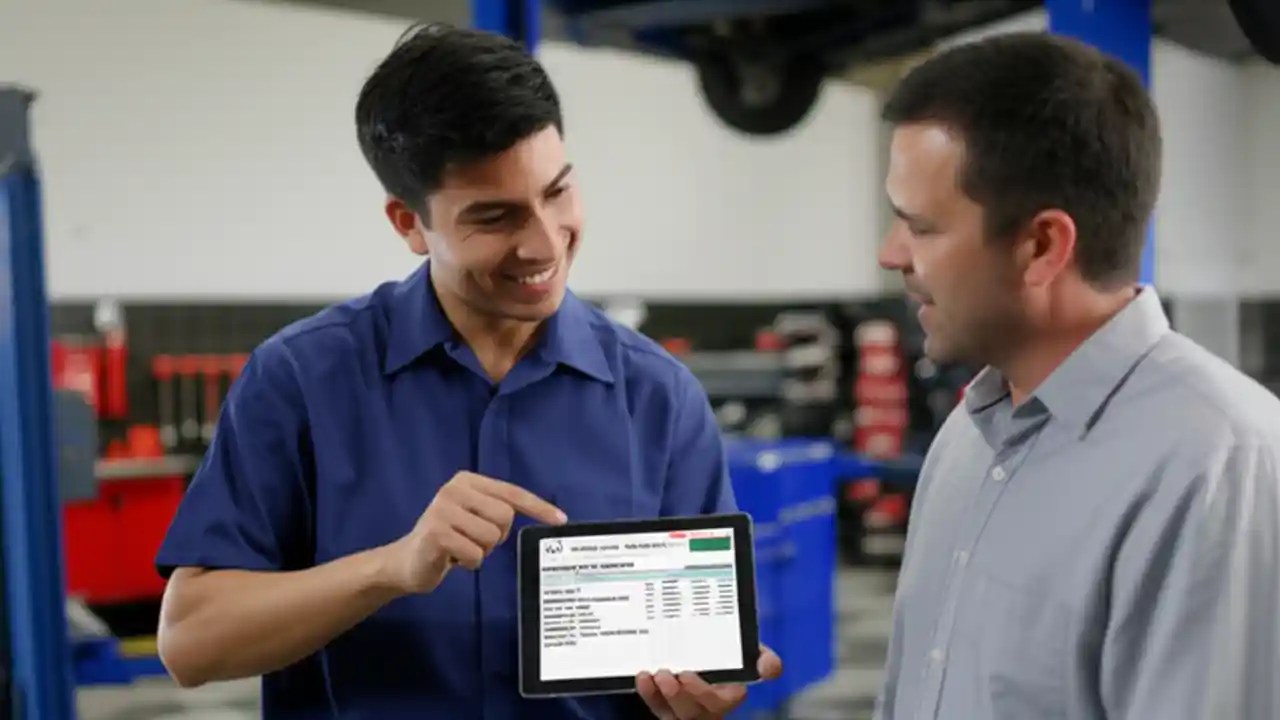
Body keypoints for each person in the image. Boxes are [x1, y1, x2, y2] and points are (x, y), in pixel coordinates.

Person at [153, 23, 780, 720]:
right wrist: (391, 567)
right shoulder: (301, 380)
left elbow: (713, 647)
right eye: (495, 217)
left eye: (558, 192)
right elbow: (190, 641)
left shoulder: (660, 398)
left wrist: (711, 687)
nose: (545, 242)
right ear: (409, 224)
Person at [874, 32, 1280, 720]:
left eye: (921, 227)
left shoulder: (1216, 468)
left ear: (1041, 246)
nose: (890, 254)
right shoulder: (968, 439)